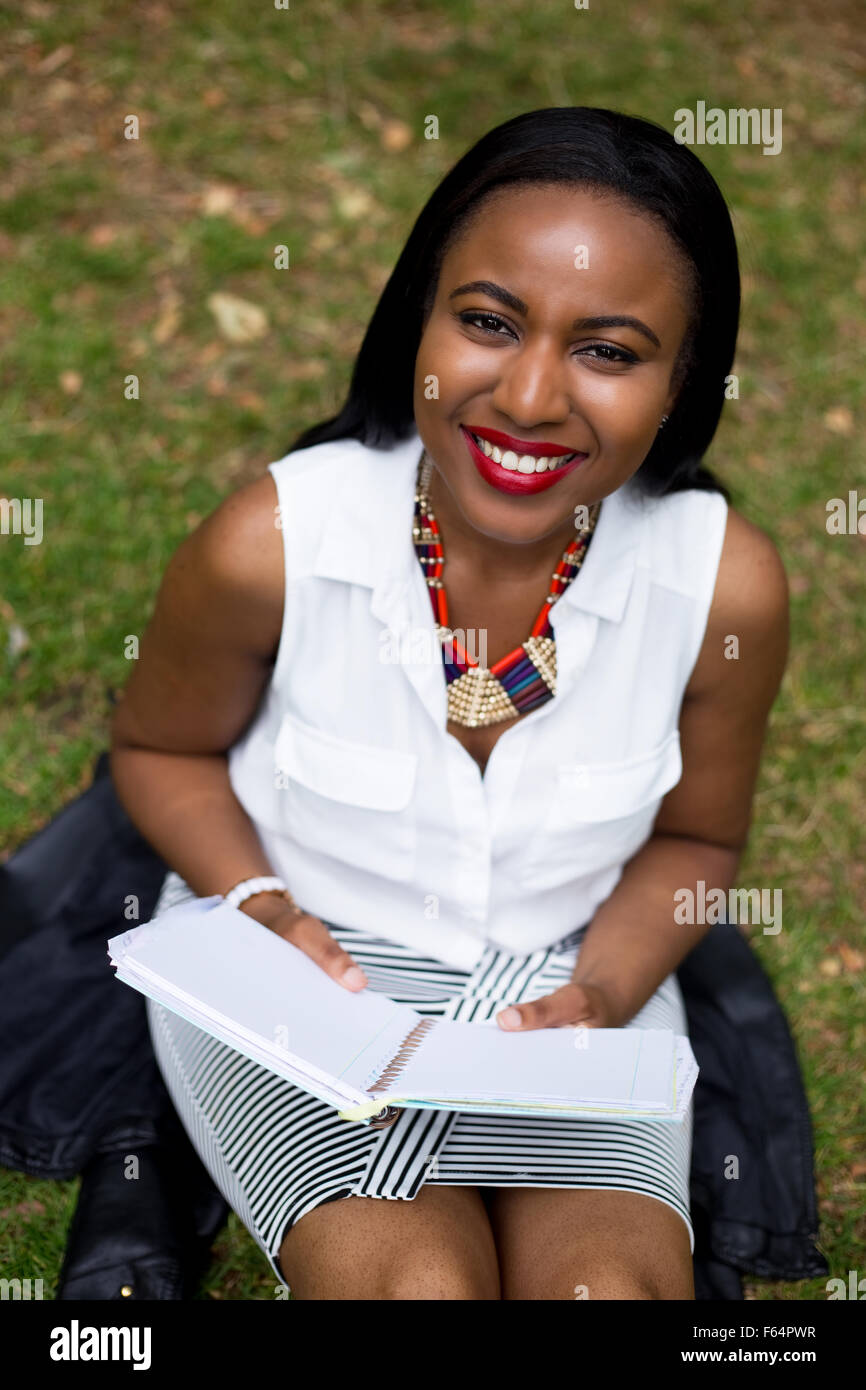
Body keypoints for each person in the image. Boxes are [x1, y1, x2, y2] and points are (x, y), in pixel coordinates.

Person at [109, 107, 789, 1301]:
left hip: (571, 980)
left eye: (610, 351)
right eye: (486, 322)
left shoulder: (719, 584)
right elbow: (161, 748)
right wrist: (261, 907)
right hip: (312, 976)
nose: (526, 397)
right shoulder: (274, 540)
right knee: (417, 1290)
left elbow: (696, 838)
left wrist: (598, 998)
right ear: (415, 320)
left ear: (683, 383)